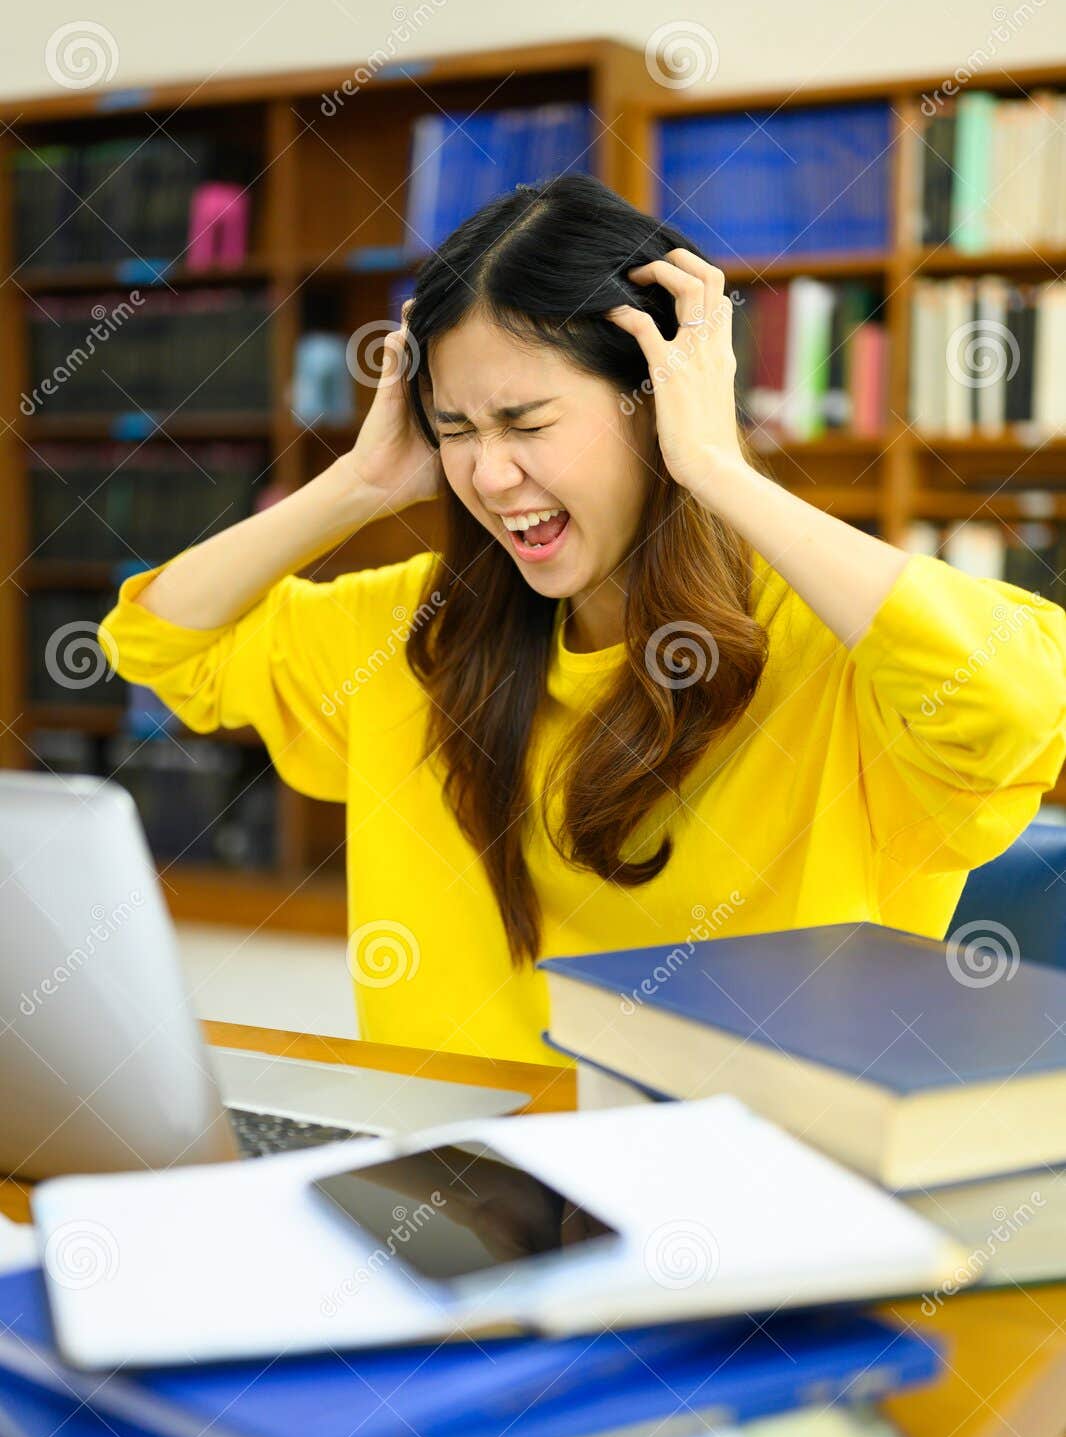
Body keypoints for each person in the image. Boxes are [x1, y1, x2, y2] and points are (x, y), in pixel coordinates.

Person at [99, 173, 1066, 1068]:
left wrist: (720, 470)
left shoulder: (832, 651)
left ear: (656, 404)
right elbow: (164, 642)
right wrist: (356, 484)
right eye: (456, 429)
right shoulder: (424, 624)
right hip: (463, 1181)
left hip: (757, 1199)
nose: (488, 474)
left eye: (525, 422)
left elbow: (1016, 705)